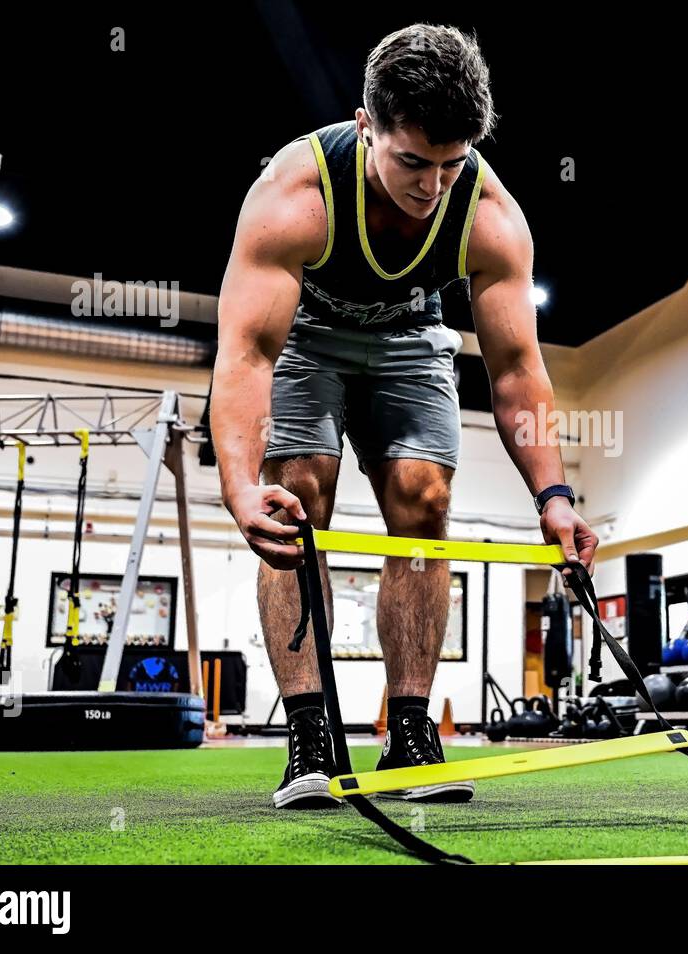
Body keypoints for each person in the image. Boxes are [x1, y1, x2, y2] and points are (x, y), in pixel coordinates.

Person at [212, 23, 597, 808]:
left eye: (452, 165)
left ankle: (411, 732)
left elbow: (518, 368)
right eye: (413, 162)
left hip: (411, 334)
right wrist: (239, 489)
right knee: (298, 496)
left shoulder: (488, 214)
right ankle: (311, 734)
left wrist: (554, 498)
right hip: (308, 336)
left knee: (425, 500)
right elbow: (248, 355)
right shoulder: (295, 196)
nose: (432, 187)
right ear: (366, 126)